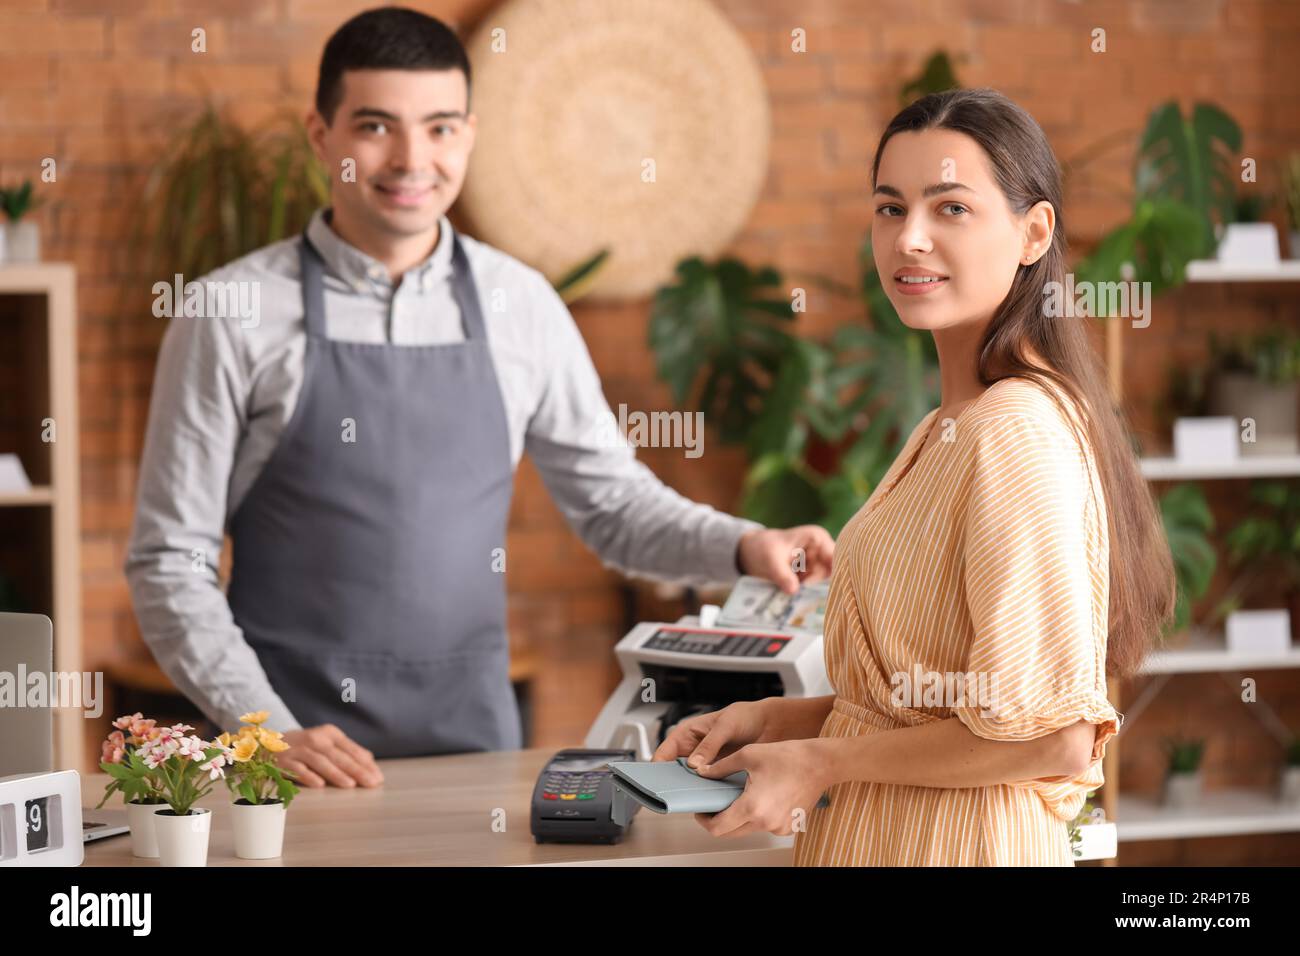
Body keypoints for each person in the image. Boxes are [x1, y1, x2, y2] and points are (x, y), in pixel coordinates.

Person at [124, 7, 833, 789]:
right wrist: (266, 732)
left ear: (468, 134)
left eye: (439, 127)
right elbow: (170, 561)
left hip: (478, 752)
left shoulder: (520, 304)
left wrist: (743, 547)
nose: (410, 159)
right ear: (321, 136)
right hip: (290, 762)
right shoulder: (231, 313)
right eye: (375, 126)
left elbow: (615, 508)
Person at [654, 88, 1176, 865]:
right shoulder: (948, 426)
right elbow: (942, 706)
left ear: (1034, 233)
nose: (911, 240)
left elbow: (1055, 739)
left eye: (951, 209)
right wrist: (781, 723)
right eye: (890, 209)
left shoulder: (1013, 431)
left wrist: (823, 761)